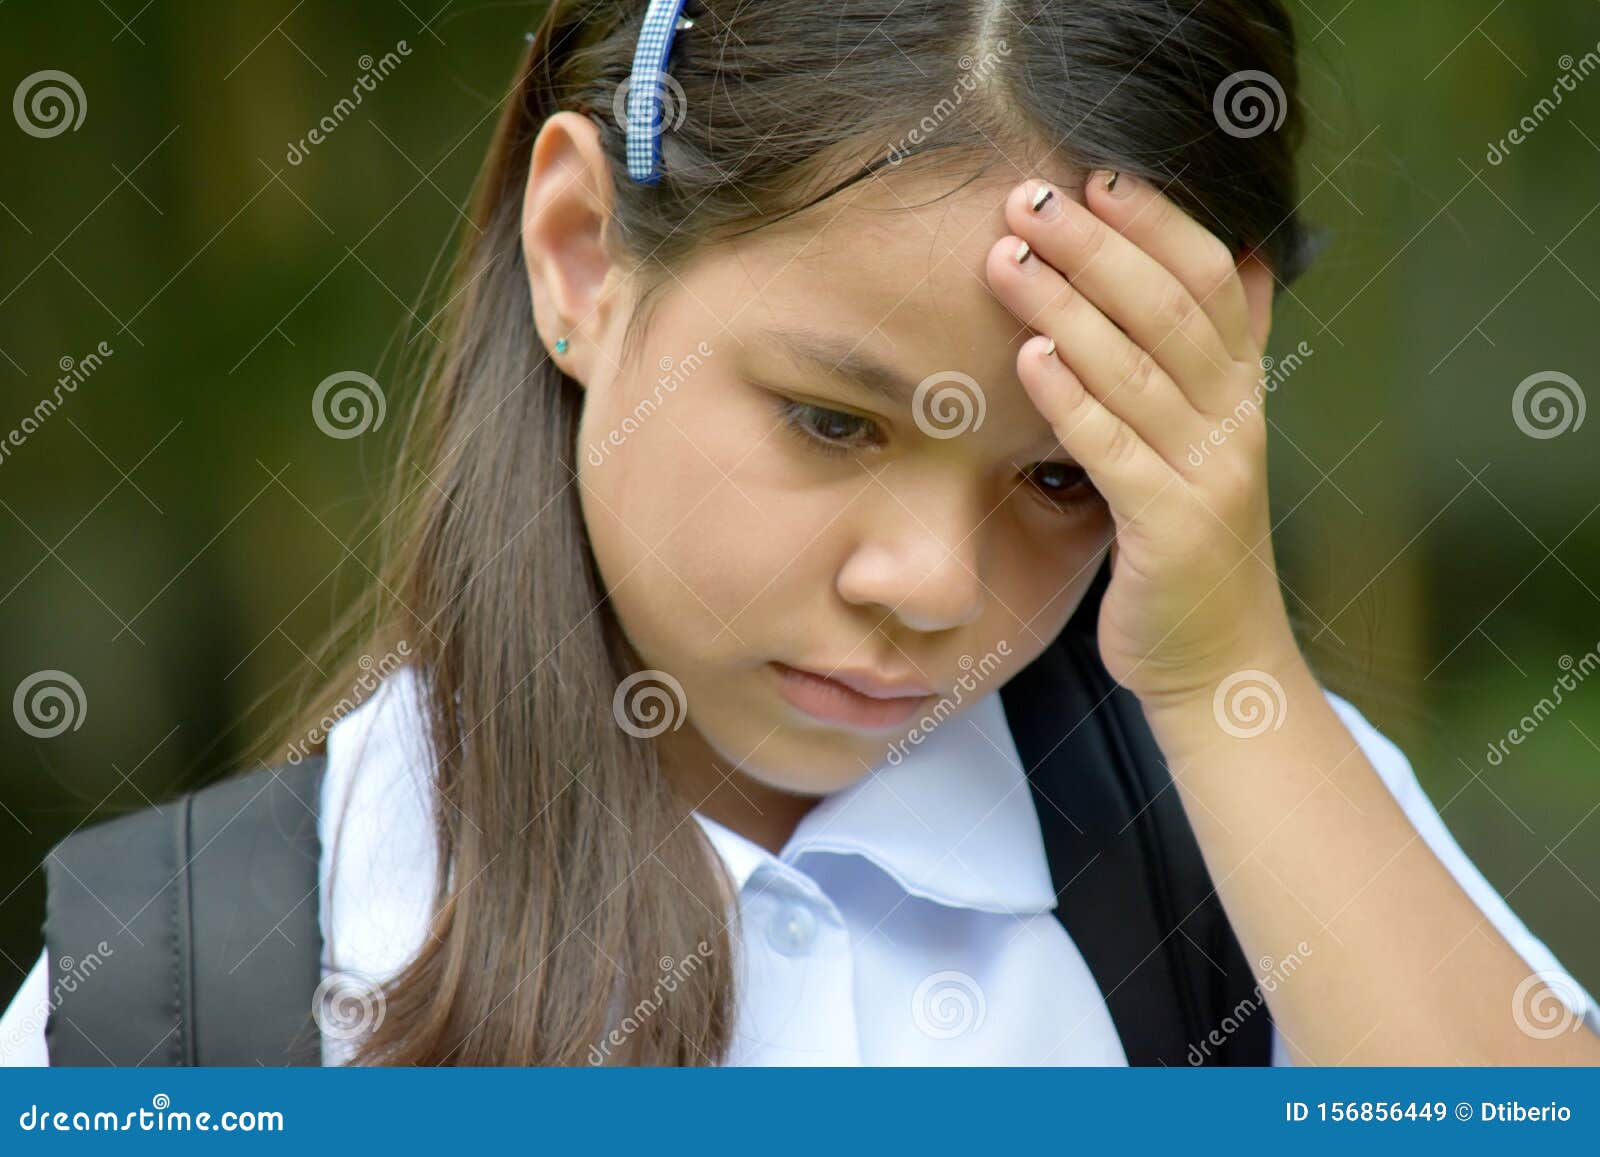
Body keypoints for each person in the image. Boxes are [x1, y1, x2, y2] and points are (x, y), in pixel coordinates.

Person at [4, 0, 1598, 1066]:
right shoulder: (196, 989)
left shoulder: (1260, 849)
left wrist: (1225, 671)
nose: (926, 584)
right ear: (578, 259)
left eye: (1064, 480)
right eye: (834, 421)